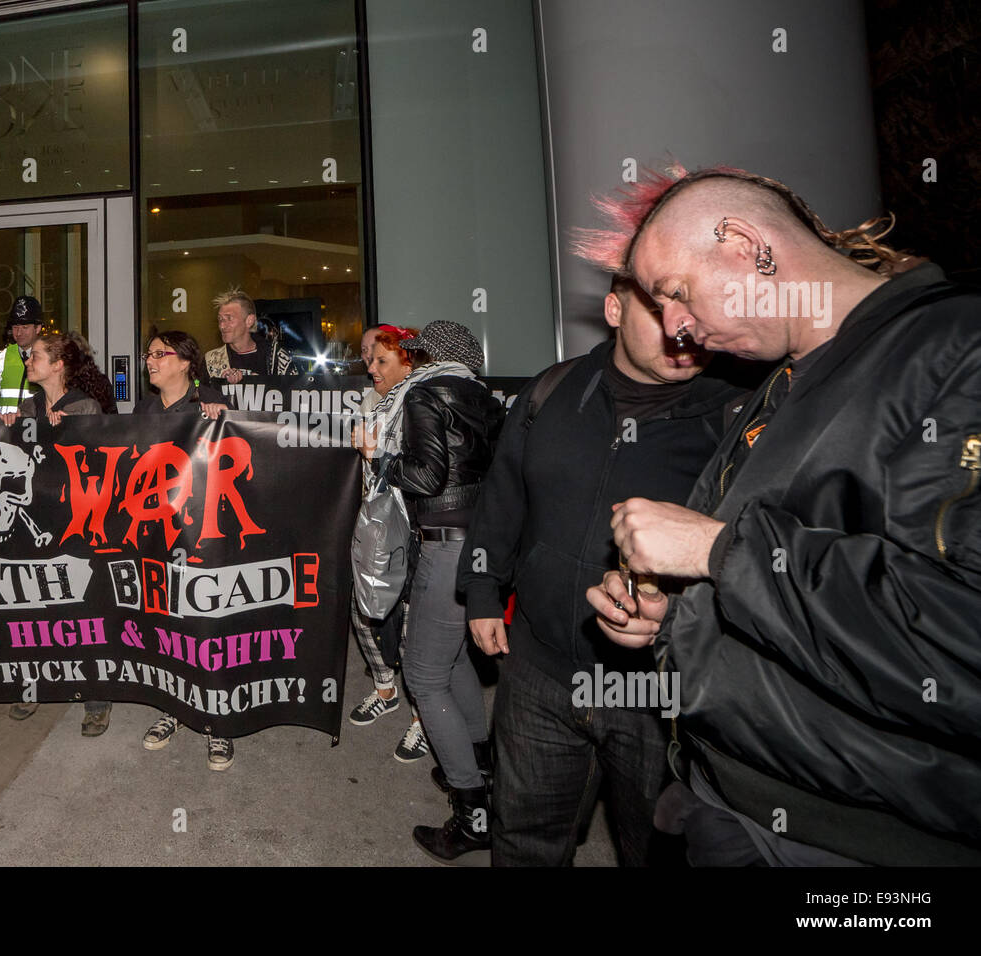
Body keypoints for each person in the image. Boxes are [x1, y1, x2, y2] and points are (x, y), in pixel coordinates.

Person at [580, 166, 981, 865]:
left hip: (854, 844)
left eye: (675, 292)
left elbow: (958, 636)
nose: (676, 328)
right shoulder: (780, 382)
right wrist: (674, 617)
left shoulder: (955, 350)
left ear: (744, 245)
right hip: (729, 800)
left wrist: (717, 550)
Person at [456, 276, 749, 866]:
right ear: (614, 309)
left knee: (659, 850)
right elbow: (504, 498)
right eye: (662, 310)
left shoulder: (739, 413)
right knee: (523, 841)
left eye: (696, 311)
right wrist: (484, 589)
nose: (684, 329)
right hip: (538, 669)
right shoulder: (551, 392)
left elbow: (761, 555)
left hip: (658, 690)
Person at [357, 320, 505, 864]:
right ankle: (482, 765)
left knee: (422, 674)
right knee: (456, 659)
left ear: (426, 354)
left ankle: (473, 815)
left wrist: (379, 457)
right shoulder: (484, 398)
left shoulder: (425, 391)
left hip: (446, 543)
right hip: (481, 544)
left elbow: (424, 476)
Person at [0, 331, 114, 730]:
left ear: (60, 364)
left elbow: (101, 461)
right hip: (38, 523)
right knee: (34, 605)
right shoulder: (27, 406)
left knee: (84, 607)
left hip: (75, 522)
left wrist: (69, 431)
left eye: (37, 357)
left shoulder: (85, 405)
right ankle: (34, 684)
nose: (29, 362)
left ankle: (96, 696)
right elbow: (2, 454)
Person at [133, 330, 235, 769]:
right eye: (148, 354)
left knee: (209, 624)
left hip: (205, 537)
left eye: (160, 354)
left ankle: (219, 722)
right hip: (158, 533)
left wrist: (224, 417)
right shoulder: (144, 408)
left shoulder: (208, 401)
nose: (150, 361)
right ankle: (174, 708)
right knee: (168, 623)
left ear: (185, 362)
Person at [347, 326, 432, 763]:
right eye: (369, 359)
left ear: (407, 362)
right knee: (364, 610)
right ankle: (385, 690)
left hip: (412, 531)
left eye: (381, 360)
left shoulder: (421, 403)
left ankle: (422, 719)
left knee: (411, 625)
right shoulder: (372, 402)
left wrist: (376, 456)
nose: (371, 367)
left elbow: (425, 473)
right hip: (377, 525)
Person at [205, 288, 297, 382]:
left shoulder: (277, 357)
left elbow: (297, 391)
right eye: (220, 319)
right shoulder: (212, 360)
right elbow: (196, 387)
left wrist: (261, 383)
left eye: (229, 318)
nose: (222, 325)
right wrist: (219, 384)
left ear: (249, 321)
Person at [0, 296, 43, 415]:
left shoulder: (49, 357)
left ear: (38, 328)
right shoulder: (1, 358)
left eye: (25, 327)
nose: (19, 333)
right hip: (6, 430)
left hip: (38, 430)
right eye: (15, 327)